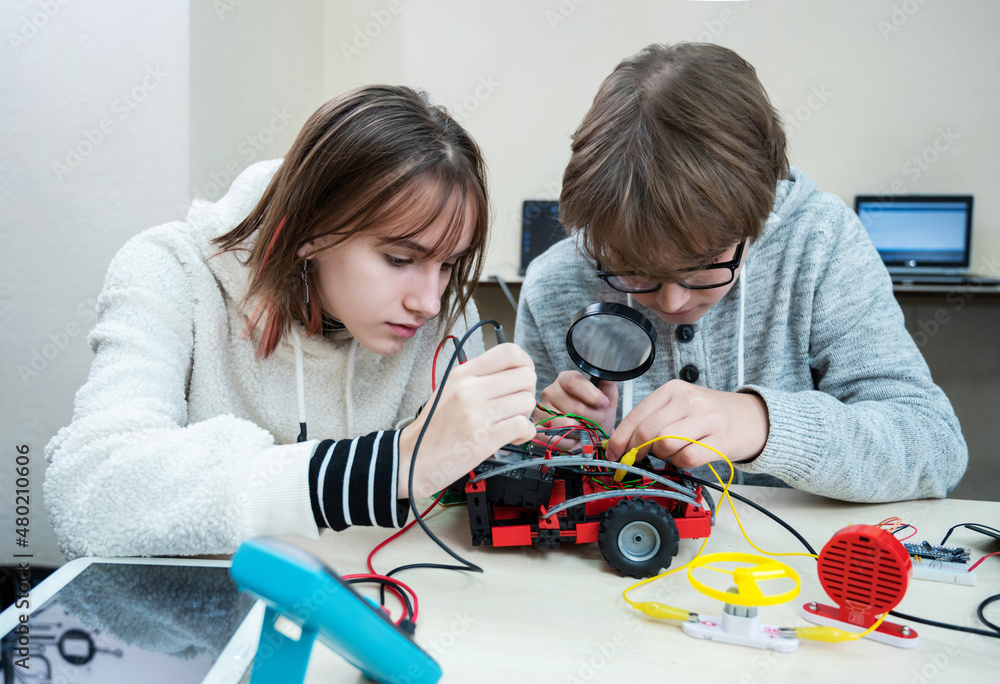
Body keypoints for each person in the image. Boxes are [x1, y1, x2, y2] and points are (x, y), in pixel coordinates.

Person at [44, 85, 536, 559]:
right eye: (399, 259)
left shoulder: (444, 311)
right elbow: (87, 493)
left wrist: (534, 437)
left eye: (449, 264)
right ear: (312, 230)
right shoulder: (169, 270)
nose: (429, 302)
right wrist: (391, 463)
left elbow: (455, 493)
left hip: (379, 603)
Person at [515, 43, 967, 502]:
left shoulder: (818, 242)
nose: (672, 301)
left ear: (760, 212)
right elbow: (524, 476)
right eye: (632, 269)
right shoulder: (555, 283)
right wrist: (551, 448)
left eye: (702, 265)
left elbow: (934, 449)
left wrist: (764, 424)